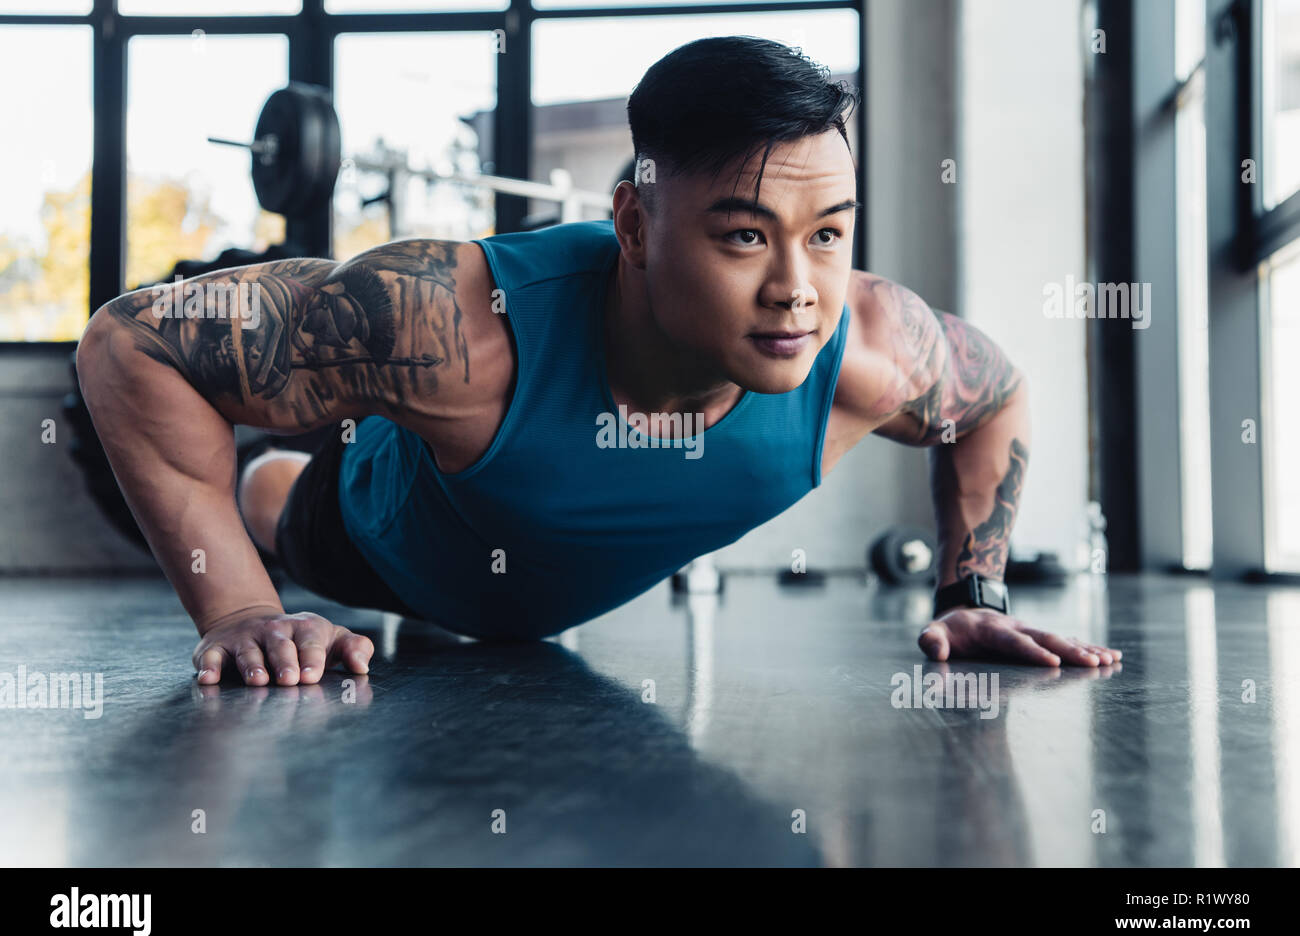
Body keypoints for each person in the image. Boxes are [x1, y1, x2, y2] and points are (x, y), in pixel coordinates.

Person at [76, 36, 1120, 687]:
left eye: (830, 233)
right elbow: (128, 343)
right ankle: (274, 481)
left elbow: (996, 397)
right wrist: (243, 610)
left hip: (523, 588)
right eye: (745, 236)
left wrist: (968, 590)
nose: (797, 287)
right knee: (282, 499)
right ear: (633, 222)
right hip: (372, 540)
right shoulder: (451, 324)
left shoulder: (870, 350)